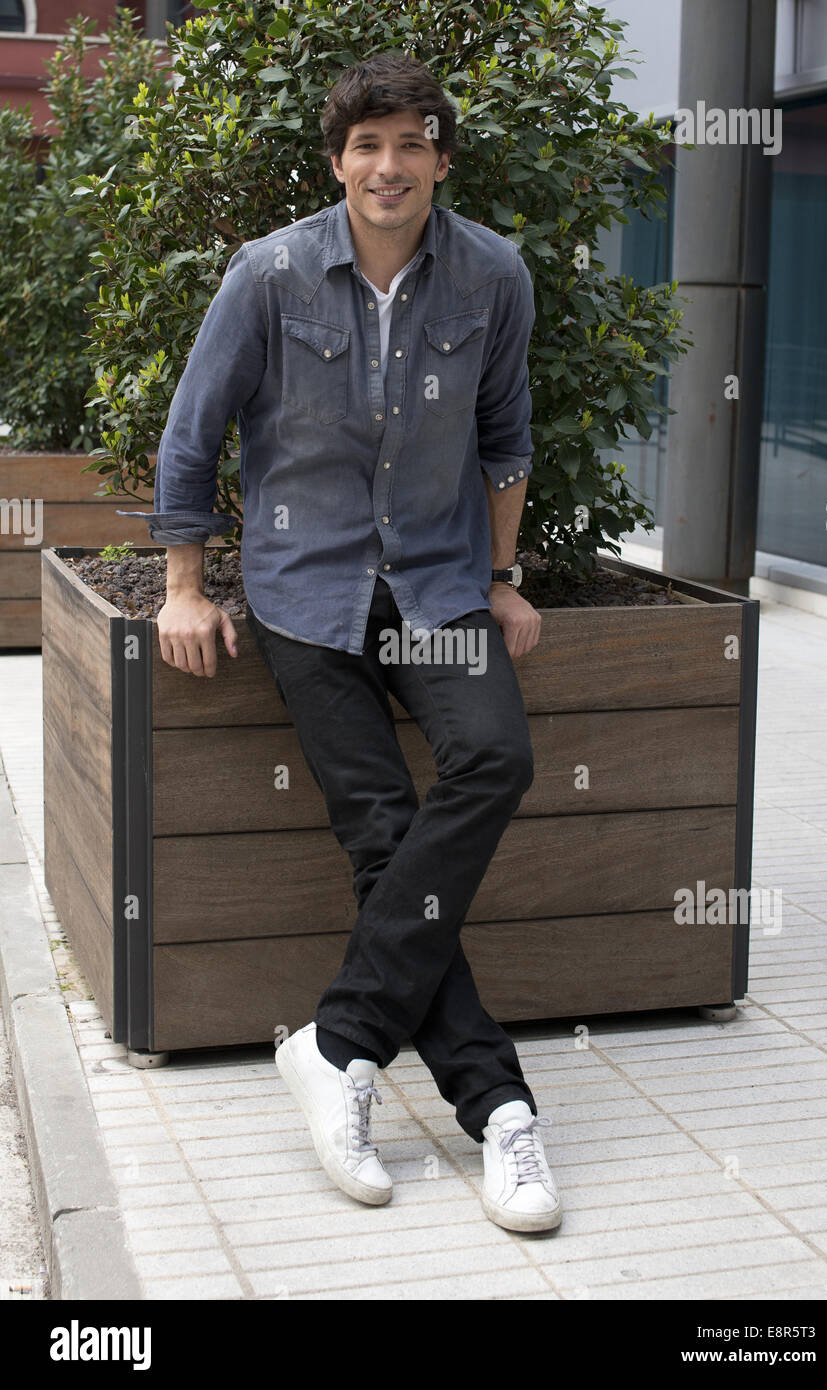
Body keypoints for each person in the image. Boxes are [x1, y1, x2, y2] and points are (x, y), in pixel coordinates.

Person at [120, 52, 561, 1234]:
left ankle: (341, 1040)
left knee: (495, 758)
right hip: (306, 593)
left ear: (440, 158)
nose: (388, 165)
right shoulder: (266, 276)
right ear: (336, 161)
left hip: (436, 590)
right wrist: (181, 588)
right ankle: (500, 1108)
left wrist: (503, 576)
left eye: (410, 143)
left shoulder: (492, 277)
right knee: (381, 832)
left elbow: (504, 439)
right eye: (366, 145)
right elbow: (192, 435)